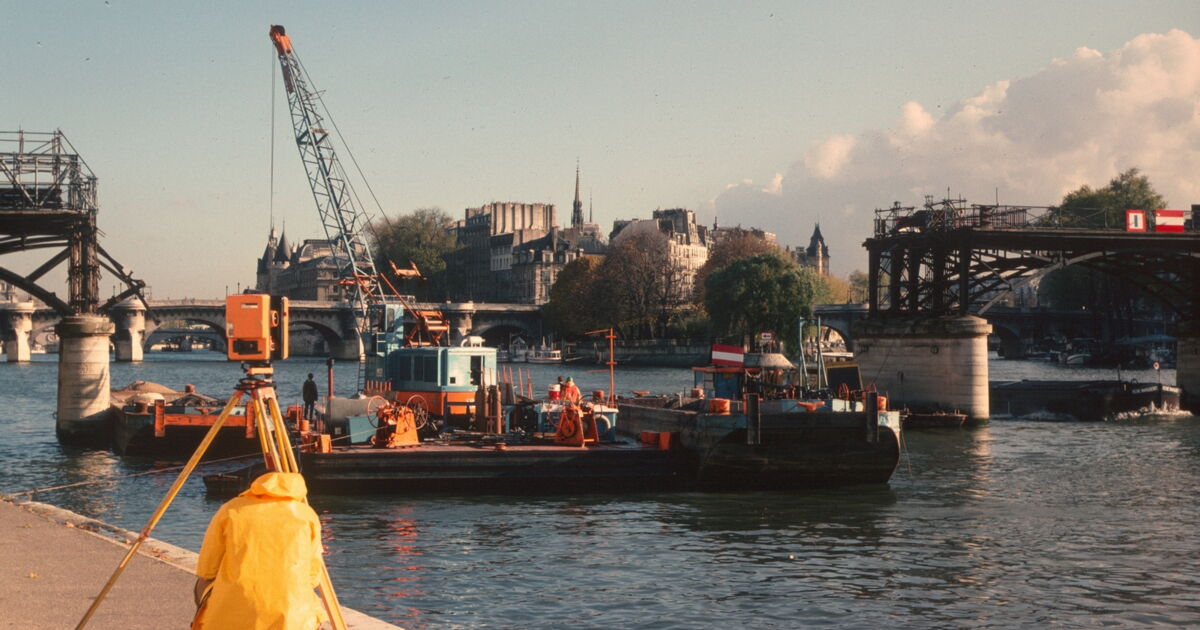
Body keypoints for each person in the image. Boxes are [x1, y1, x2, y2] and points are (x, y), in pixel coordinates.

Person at [193, 472, 326, 630]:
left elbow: (207, 568)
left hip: (235, 606)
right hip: (291, 615)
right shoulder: (307, 515)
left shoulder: (231, 508)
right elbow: (313, 575)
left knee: (202, 584)